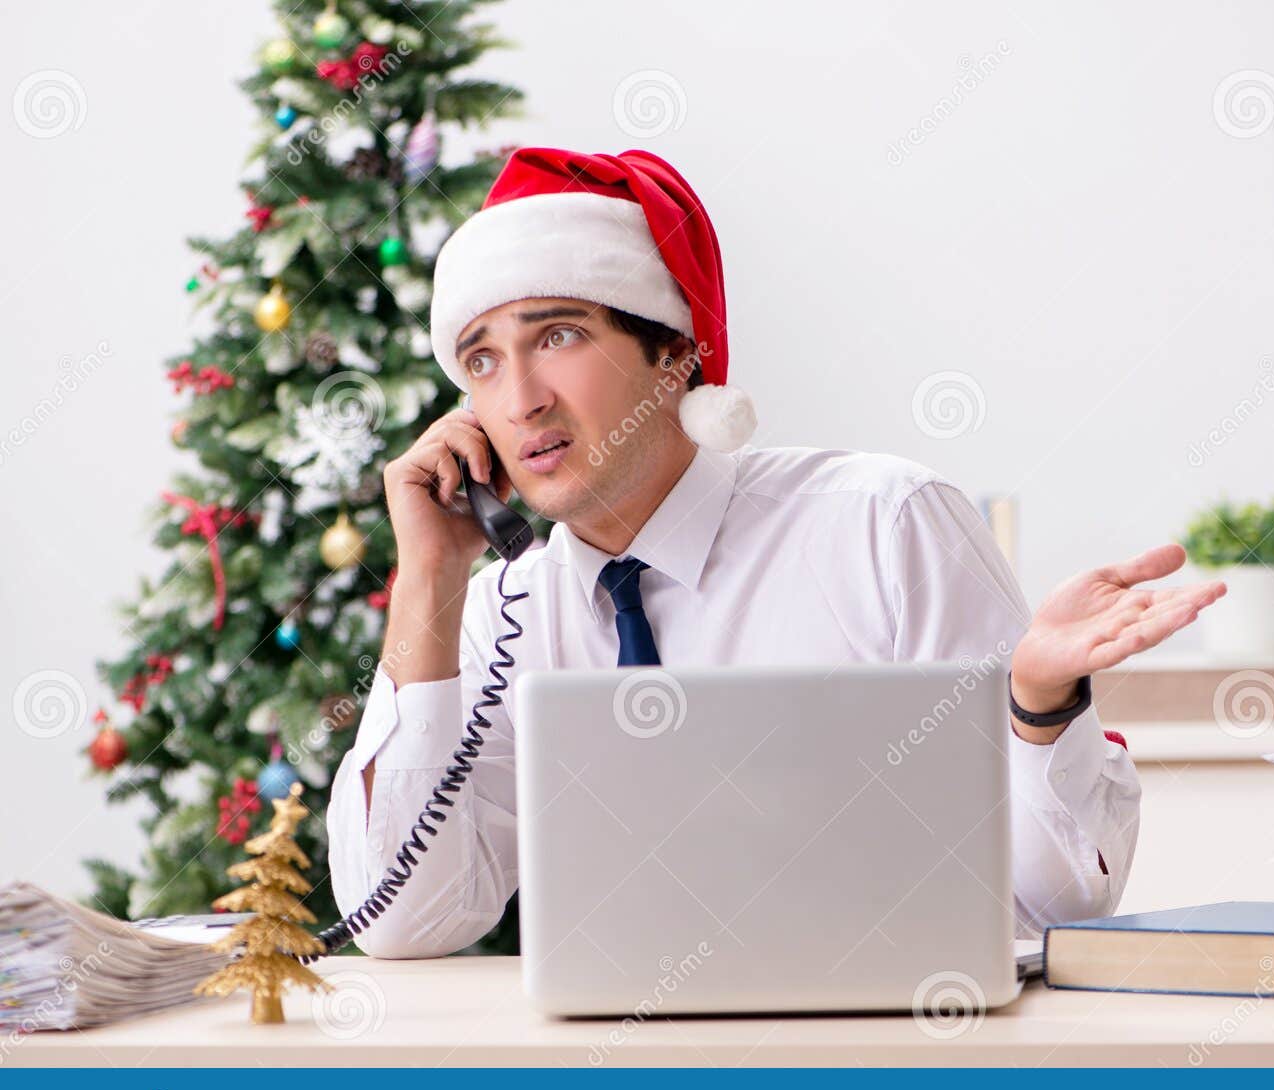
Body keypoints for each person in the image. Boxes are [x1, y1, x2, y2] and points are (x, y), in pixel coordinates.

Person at [325, 146, 1225, 959]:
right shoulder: (502, 610)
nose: (518, 400)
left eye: (558, 337)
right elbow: (403, 922)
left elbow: (1060, 908)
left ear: (674, 354)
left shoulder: (885, 526)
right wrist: (429, 585)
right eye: (481, 360)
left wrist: (1038, 704)